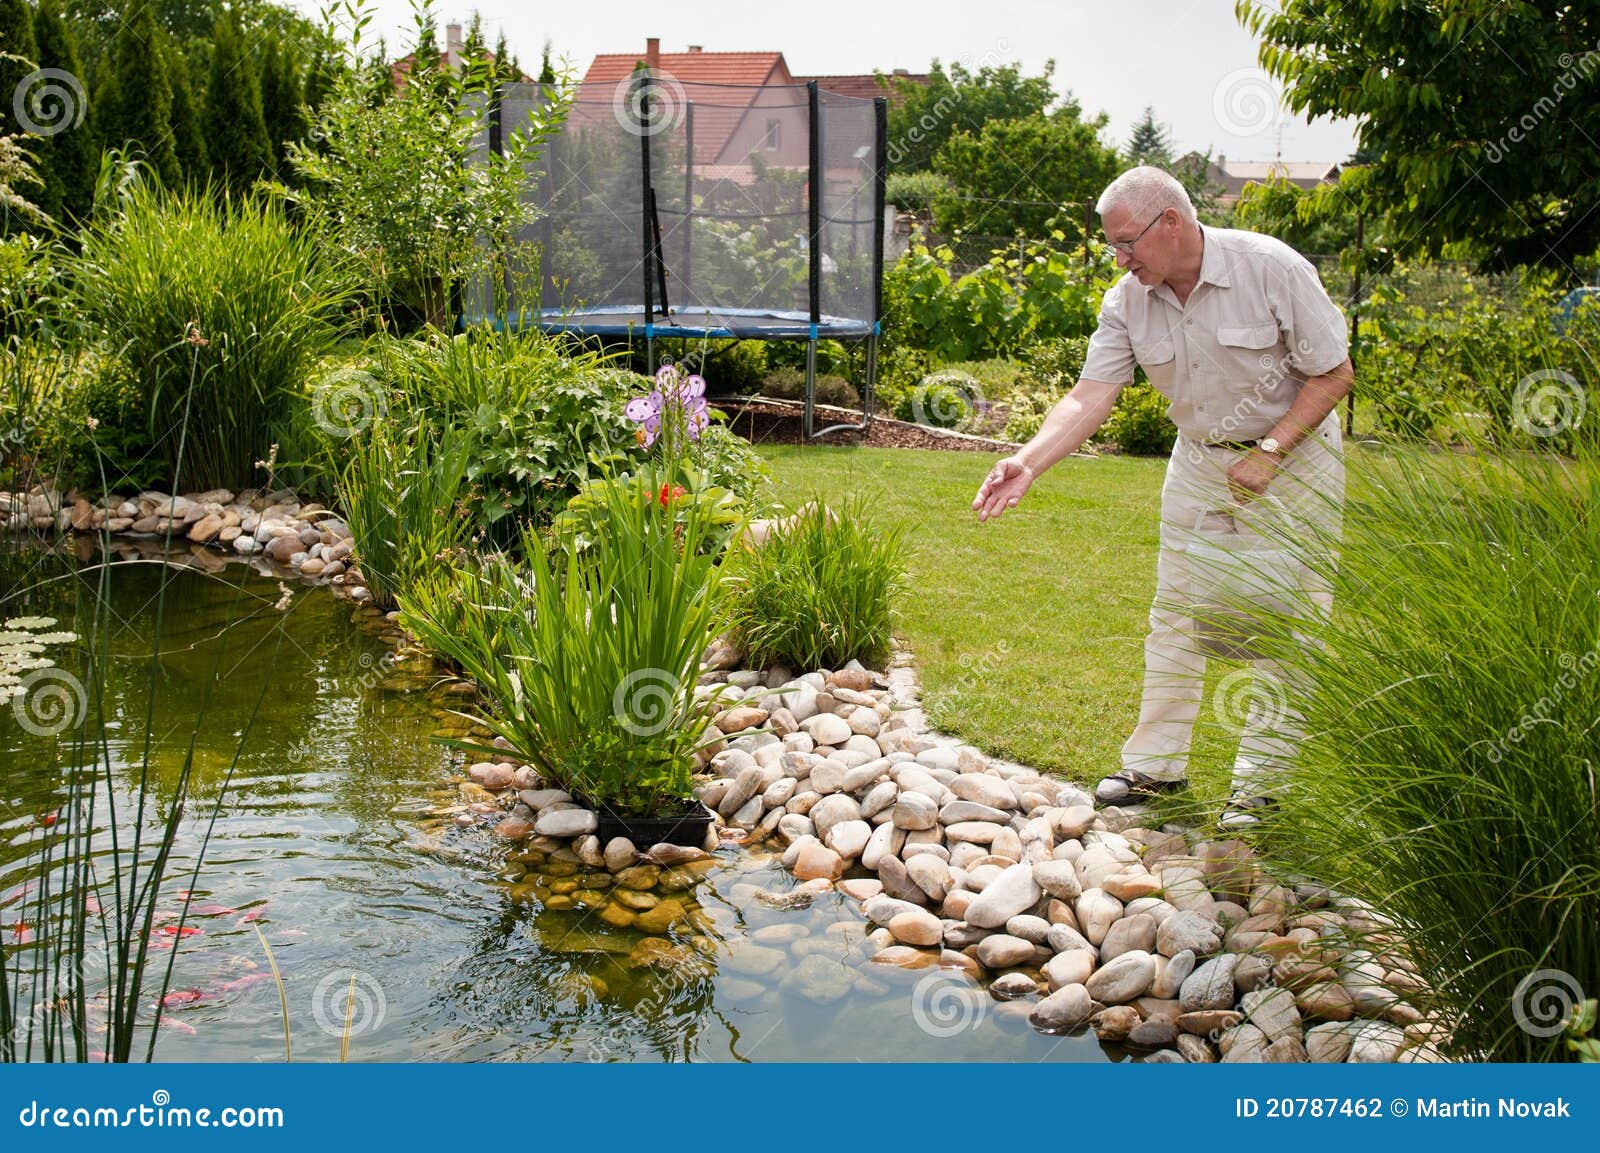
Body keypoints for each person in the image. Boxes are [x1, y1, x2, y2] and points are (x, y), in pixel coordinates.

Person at [971, 166, 1353, 829]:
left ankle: (1259, 791)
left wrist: (1271, 451)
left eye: (1127, 242)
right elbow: (1091, 394)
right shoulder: (1128, 300)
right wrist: (1027, 463)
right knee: (1175, 613)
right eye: (1112, 246)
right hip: (1200, 462)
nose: (1120, 258)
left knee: (1287, 625)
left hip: (1295, 463)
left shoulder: (1270, 268)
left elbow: (1333, 372)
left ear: (1170, 222)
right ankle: (1156, 769)